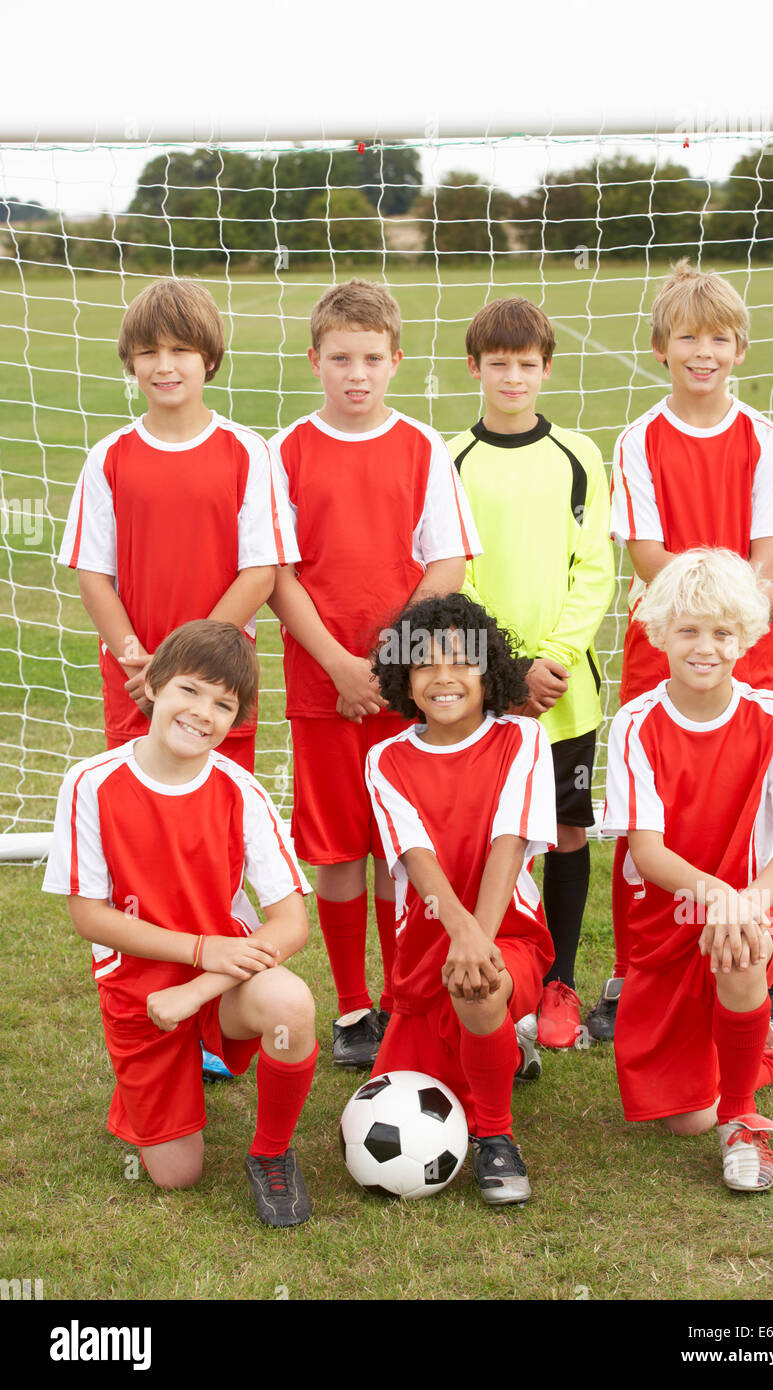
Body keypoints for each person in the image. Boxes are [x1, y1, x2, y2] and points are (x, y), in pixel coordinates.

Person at [590, 258, 773, 1044]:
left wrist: (743, 609)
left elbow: (771, 546)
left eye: (719, 339)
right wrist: (718, 602)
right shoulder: (638, 440)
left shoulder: (763, 436)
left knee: (755, 812)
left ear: (739, 349)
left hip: (746, 643)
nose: (703, 352)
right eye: (688, 336)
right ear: (661, 346)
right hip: (667, 642)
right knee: (650, 822)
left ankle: (764, 963)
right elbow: (648, 555)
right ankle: (635, 970)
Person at [268, 280, 481, 1068]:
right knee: (334, 848)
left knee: (397, 844)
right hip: (323, 687)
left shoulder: (423, 446)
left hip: (405, 686)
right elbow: (277, 571)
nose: (355, 374)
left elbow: (447, 561)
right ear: (315, 361)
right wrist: (336, 663)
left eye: (370, 359)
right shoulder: (282, 451)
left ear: (395, 360)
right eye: (339, 359)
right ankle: (353, 1007)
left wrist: (386, 661)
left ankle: (401, 998)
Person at [43, 621, 318, 1227]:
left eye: (224, 704)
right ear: (155, 685)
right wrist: (198, 950)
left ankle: (271, 1153)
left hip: (216, 984)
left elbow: (291, 922)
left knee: (291, 1006)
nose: (203, 713)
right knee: (176, 1176)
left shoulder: (239, 788)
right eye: (191, 691)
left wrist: (200, 979)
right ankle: (155, 1080)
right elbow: (88, 914)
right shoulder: (91, 783)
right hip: (143, 995)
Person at [602, 551, 773, 1192]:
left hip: (748, 910)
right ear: (659, 634)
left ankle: (744, 1123)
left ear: (746, 636)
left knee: (740, 948)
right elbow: (647, 850)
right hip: (670, 920)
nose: (705, 646)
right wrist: (716, 897)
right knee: (685, 1117)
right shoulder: (636, 723)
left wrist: (745, 903)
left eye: (722, 631)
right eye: (688, 630)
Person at [449, 298, 614, 1050]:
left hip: (564, 694)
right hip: (485, 694)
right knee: (490, 840)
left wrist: (553, 659)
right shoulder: (451, 459)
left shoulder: (579, 453)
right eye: (497, 364)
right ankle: (497, 971)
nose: (512, 376)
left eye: (526, 364)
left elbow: (596, 571)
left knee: (568, 831)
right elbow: (458, 575)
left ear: (547, 369)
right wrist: (509, 668)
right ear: (476, 368)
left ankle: (561, 985)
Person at [365, 593, 557, 1206]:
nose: (443, 677)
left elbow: (509, 842)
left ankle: (496, 1140)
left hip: (508, 937)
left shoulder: (522, 738)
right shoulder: (384, 759)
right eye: (423, 663)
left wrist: (478, 943)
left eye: (461, 660)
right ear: (404, 677)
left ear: (488, 670)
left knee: (480, 988)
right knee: (406, 1089)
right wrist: (460, 936)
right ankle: (505, 1043)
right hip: (428, 952)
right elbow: (419, 862)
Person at [60, 276, 292, 774]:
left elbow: (260, 574)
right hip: (134, 681)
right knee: (137, 817)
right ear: (131, 363)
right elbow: (92, 575)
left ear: (209, 358)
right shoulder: (108, 458)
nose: (164, 366)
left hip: (217, 680)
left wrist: (185, 670)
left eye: (181, 349)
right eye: (148, 352)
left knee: (219, 817)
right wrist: (137, 663)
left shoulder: (248, 453)